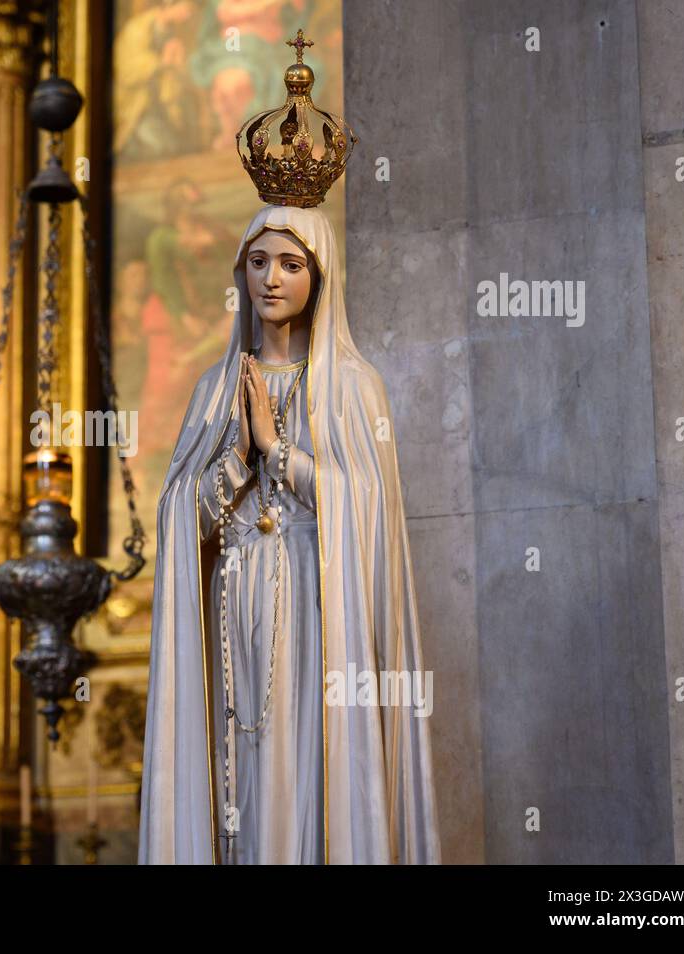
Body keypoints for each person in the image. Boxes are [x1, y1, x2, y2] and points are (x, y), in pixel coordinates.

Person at [138, 201, 442, 864]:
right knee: (245, 763)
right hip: (234, 605)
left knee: (309, 757)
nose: (271, 278)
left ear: (319, 276)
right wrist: (237, 459)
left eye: (290, 263)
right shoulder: (214, 391)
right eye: (257, 262)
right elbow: (179, 524)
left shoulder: (356, 389)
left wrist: (277, 450)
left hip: (318, 607)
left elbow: (365, 508)